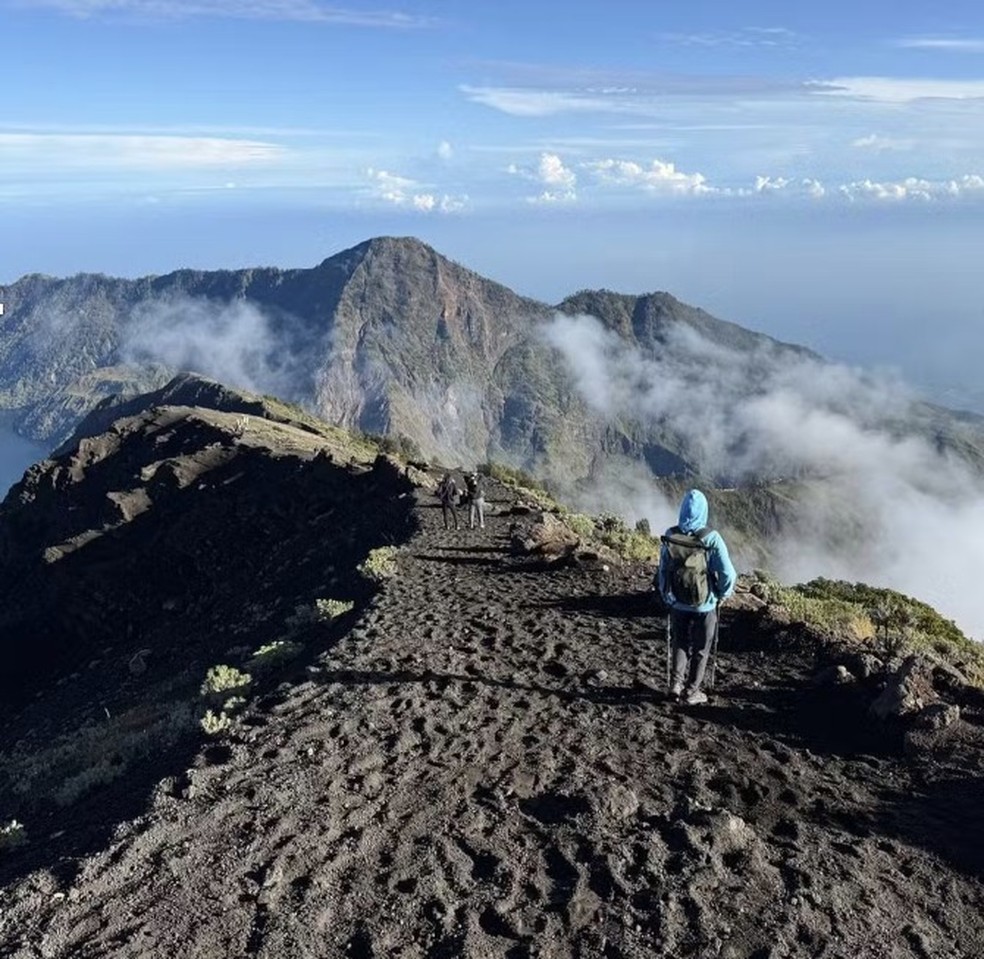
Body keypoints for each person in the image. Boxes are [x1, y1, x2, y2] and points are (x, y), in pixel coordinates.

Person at [657, 488, 736, 705]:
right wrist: (722, 593)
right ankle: (692, 692)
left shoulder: (671, 535)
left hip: (678, 602)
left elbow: (663, 570)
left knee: (680, 642)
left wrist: (667, 595)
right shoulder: (711, 538)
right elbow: (728, 573)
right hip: (705, 605)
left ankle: (675, 685)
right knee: (701, 648)